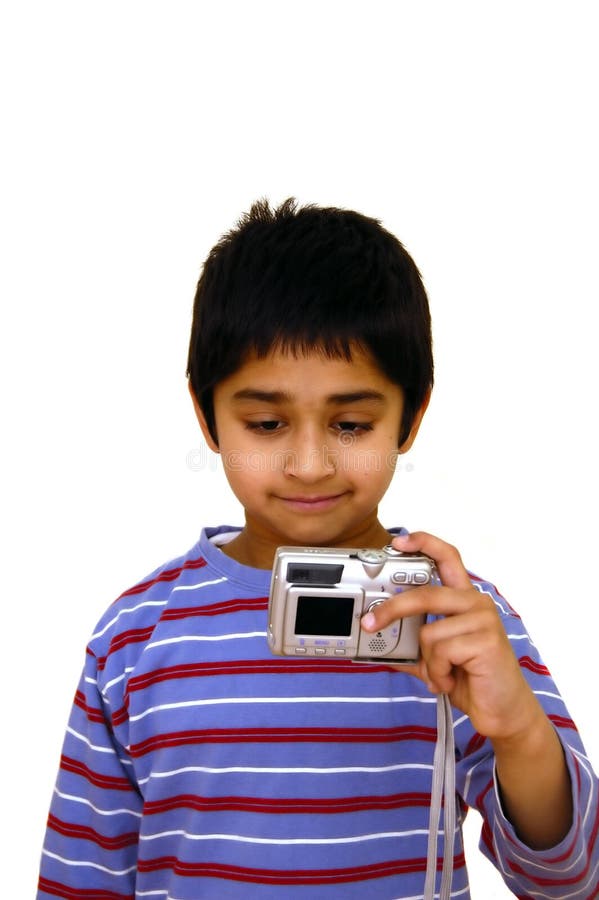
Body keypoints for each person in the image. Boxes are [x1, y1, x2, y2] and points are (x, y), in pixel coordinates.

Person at [37, 199, 598, 899]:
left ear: (411, 415)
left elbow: (570, 880)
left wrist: (516, 727)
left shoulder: (458, 621)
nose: (309, 464)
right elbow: (80, 880)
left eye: (352, 423)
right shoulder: (134, 636)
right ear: (207, 415)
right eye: (267, 422)